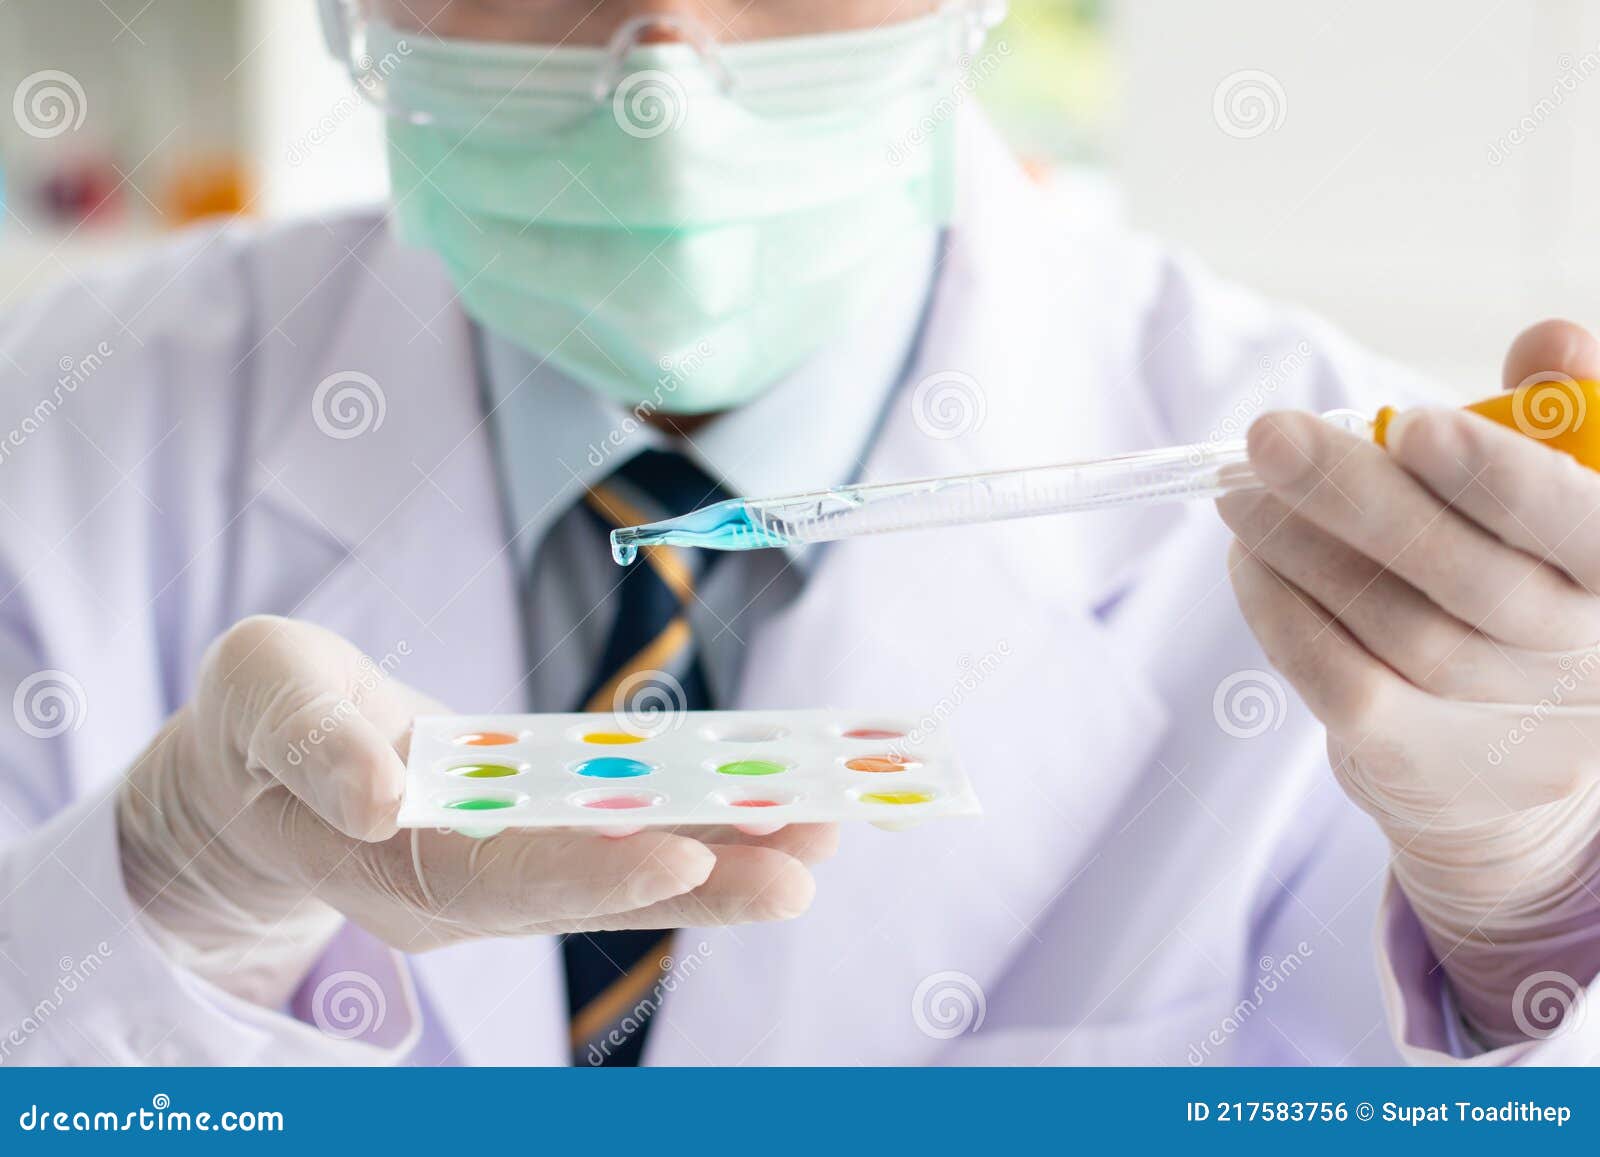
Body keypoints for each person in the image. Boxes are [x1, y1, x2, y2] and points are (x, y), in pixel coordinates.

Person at [0, 0, 1597, 1066]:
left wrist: (1534, 915)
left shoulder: (1359, 498)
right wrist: (165, 904)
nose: (661, 56)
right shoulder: (58, 425)